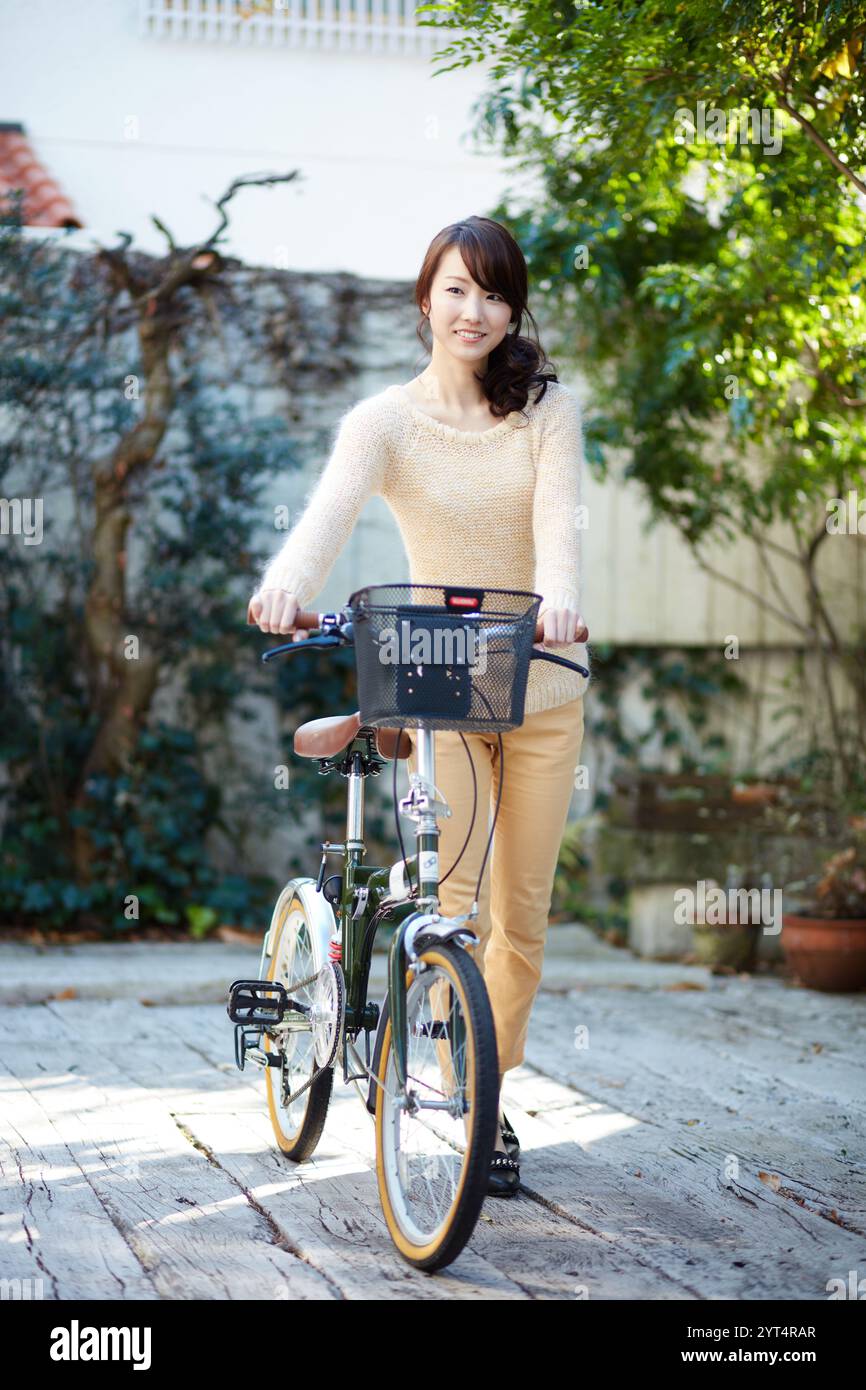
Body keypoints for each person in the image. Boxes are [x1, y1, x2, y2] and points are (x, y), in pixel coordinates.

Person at [248, 215, 590, 1197]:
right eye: (454, 289)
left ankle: (486, 1087)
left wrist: (557, 594)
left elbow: (555, 518)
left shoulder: (544, 409)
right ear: (424, 298)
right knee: (458, 898)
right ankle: (456, 1084)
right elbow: (324, 517)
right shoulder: (382, 422)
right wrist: (283, 583)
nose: (472, 310)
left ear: (509, 305)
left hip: (540, 669)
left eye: (490, 292)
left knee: (519, 911)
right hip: (443, 678)